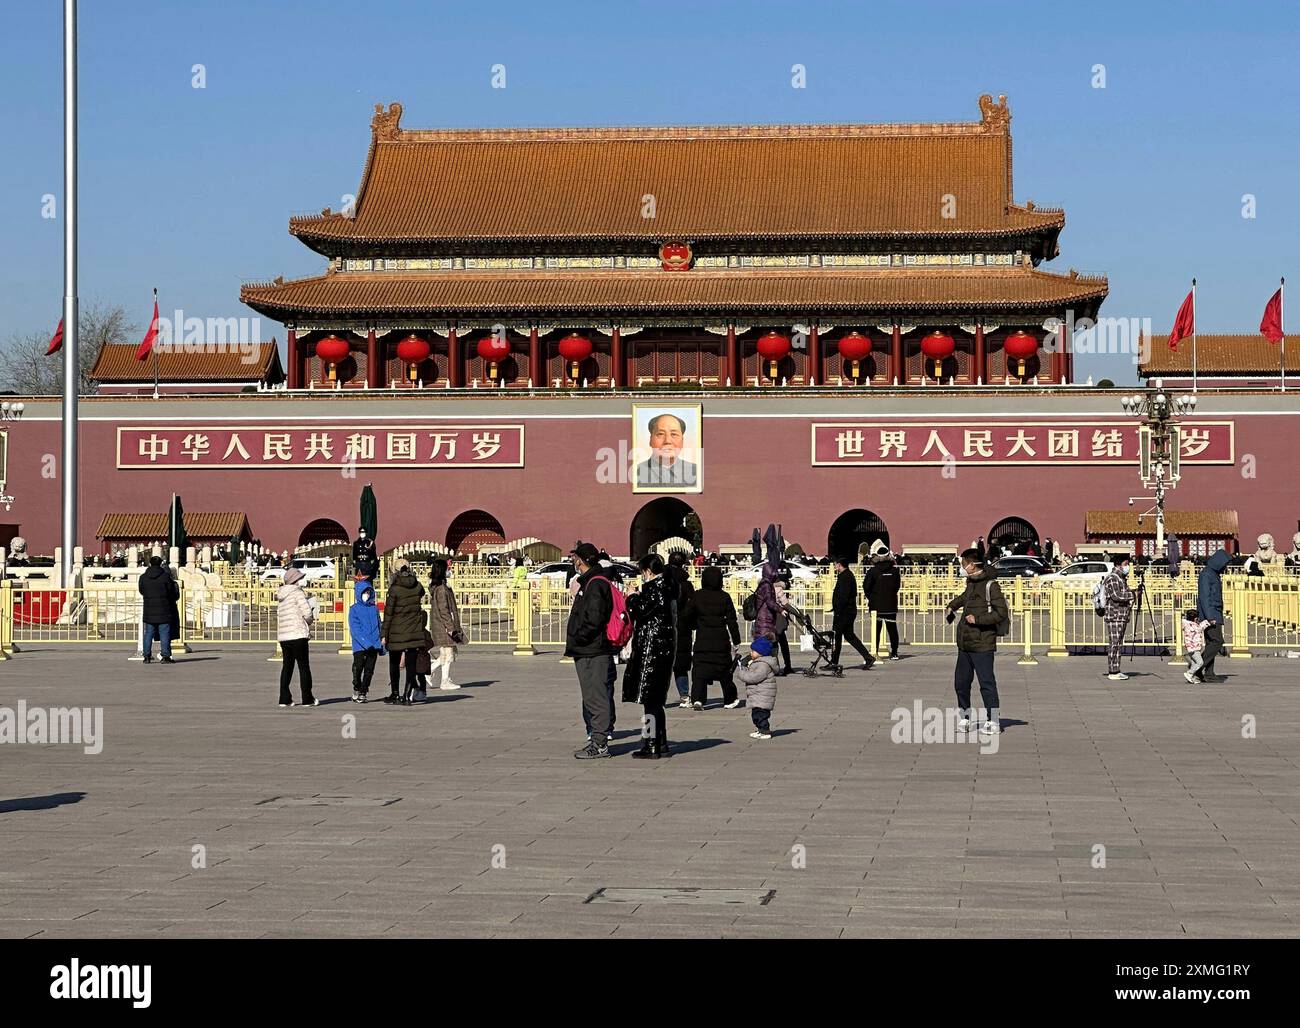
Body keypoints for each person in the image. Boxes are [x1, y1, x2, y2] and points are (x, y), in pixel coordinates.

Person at [944, 548, 1007, 736]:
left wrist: (978, 620)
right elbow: (965, 598)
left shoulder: (991, 585)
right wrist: (952, 605)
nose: (963, 567)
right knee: (961, 683)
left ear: (973, 564)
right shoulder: (971, 583)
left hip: (982, 643)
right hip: (965, 642)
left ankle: (993, 720)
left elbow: (1001, 612)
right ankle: (964, 717)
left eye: (964, 564)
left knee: (986, 683)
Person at [567, 543, 618, 759]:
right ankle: (598, 740)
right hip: (587, 649)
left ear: (581, 559)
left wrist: (580, 637)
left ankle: (599, 743)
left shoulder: (596, 584)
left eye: (575, 557)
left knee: (596, 697)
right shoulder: (589, 582)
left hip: (593, 650)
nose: (573, 561)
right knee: (591, 696)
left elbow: (594, 619)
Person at [622, 554, 676, 759]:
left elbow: (638, 612)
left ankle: (650, 743)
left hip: (652, 650)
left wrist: (632, 596)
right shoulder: (668, 588)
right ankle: (660, 742)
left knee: (650, 701)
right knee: (655, 700)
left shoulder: (656, 589)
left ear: (648, 571)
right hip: (663, 649)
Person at [681, 565, 741, 709]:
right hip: (721, 639)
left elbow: (686, 615)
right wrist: (736, 639)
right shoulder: (724, 597)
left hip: (703, 639)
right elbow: (732, 620)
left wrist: (694, 625)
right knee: (724, 672)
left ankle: (698, 699)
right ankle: (729, 699)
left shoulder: (697, 596)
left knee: (699, 671)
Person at [381, 559, 427, 704]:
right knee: (411, 665)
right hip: (413, 630)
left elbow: (388, 614)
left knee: (394, 662)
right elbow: (422, 592)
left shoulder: (394, 589)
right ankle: (407, 696)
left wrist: (384, 634)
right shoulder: (417, 586)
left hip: (396, 631)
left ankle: (395, 693)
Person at [277, 567, 318, 707]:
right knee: (303, 667)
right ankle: (307, 698)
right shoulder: (297, 593)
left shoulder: (281, 595)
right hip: (298, 634)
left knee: (287, 667)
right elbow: (307, 613)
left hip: (284, 636)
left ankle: (284, 698)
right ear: (295, 580)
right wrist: (309, 620)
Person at [830, 556, 875, 671]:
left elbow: (843, 596)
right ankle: (868, 657)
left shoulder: (845, 577)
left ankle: (834, 662)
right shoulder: (847, 575)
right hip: (847, 611)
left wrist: (838, 610)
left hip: (844, 612)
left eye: (836, 564)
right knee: (850, 636)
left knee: (837, 637)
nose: (835, 566)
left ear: (840, 565)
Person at [427, 559, 465, 692]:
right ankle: (444, 680)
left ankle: (430, 672)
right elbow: (444, 610)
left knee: (448, 652)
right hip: (443, 625)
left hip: (440, 624)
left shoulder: (439, 587)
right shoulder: (442, 589)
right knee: (448, 652)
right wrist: (451, 627)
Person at [634, 412, 699, 488]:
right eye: (660, 434)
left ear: (682, 441)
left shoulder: (698, 473)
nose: (667, 441)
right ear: (650, 440)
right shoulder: (634, 473)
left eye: (674, 434)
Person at [1195, 549, 1231, 683]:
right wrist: (1209, 616)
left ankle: (1208, 673)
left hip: (1216, 612)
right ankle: (1197, 667)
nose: (1225, 567)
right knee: (1217, 642)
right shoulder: (1206, 575)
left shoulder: (1213, 574)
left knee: (1211, 643)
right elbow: (1204, 597)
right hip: (1211, 614)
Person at [736, 634, 780, 740]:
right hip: (758, 695)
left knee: (760, 715)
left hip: (762, 696)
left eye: (753, 651)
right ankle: (760, 729)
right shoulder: (759, 662)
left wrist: (742, 674)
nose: (751, 653)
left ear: (761, 653)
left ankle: (765, 731)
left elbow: (754, 677)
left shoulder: (763, 665)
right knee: (756, 715)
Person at [138, 554, 180, 664]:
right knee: (164, 633)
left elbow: (141, 591)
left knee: (148, 633)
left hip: (149, 609)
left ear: (150, 563)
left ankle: (146, 656)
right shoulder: (165, 577)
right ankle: (166, 656)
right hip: (164, 609)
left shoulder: (143, 577)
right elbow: (171, 591)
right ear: (160, 563)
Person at [862, 550, 901, 660]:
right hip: (891, 604)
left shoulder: (872, 571)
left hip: (876, 605)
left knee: (876, 629)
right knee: (892, 629)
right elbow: (897, 587)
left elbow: (866, 586)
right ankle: (894, 652)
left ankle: (875, 651)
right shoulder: (895, 571)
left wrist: (872, 597)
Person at [1102, 553, 1135, 681]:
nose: (1127, 567)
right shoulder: (1113, 578)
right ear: (1118, 565)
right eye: (1125, 564)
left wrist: (1132, 592)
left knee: (1118, 644)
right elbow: (1116, 596)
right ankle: (1112, 670)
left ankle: (1117, 669)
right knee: (1114, 644)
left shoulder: (1121, 578)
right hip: (1114, 615)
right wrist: (1132, 595)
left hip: (1121, 615)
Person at [348, 579, 382, 702]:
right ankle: (357, 686)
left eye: (368, 592)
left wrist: (381, 642)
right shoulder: (354, 609)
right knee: (358, 667)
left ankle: (363, 691)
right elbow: (355, 629)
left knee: (369, 670)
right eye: (364, 592)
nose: (366, 594)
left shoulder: (374, 608)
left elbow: (379, 625)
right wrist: (366, 643)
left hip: (374, 645)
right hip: (360, 646)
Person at [668, 551, 695, 705]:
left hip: (665, 625)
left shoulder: (662, 581)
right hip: (682, 626)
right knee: (681, 664)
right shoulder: (686, 583)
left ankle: (658, 696)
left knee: (662, 665)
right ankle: (685, 695)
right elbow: (691, 606)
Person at [1181, 609, 1210, 684]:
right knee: (1200, 662)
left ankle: (1191, 677)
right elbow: (1199, 628)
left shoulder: (1187, 624)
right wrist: (1207, 622)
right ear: (1195, 618)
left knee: (1194, 663)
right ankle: (1189, 673)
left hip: (1191, 647)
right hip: (1193, 648)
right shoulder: (1192, 625)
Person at [773, 571, 794, 675]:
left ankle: (775, 666)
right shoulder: (778, 588)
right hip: (778, 618)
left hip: (767, 619)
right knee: (783, 642)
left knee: (773, 643)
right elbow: (785, 603)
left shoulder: (763, 588)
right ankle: (788, 665)